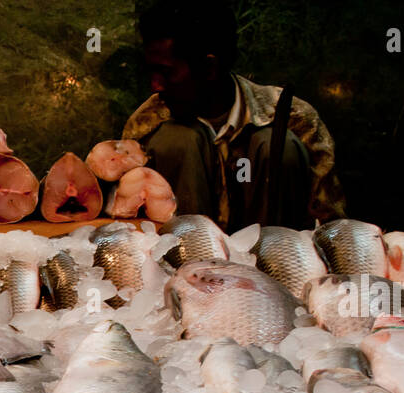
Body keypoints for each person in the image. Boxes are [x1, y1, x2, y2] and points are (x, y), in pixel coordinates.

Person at [125, 2, 345, 232]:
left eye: (167, 72)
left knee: (275, 145)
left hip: (279, 258)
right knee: (175, 141)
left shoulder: (294, 118)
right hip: (187, 262)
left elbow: (331, 223)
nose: (155, 85)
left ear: (209, 68)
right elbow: (128, 223)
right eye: (151, 71)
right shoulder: (147, 124)